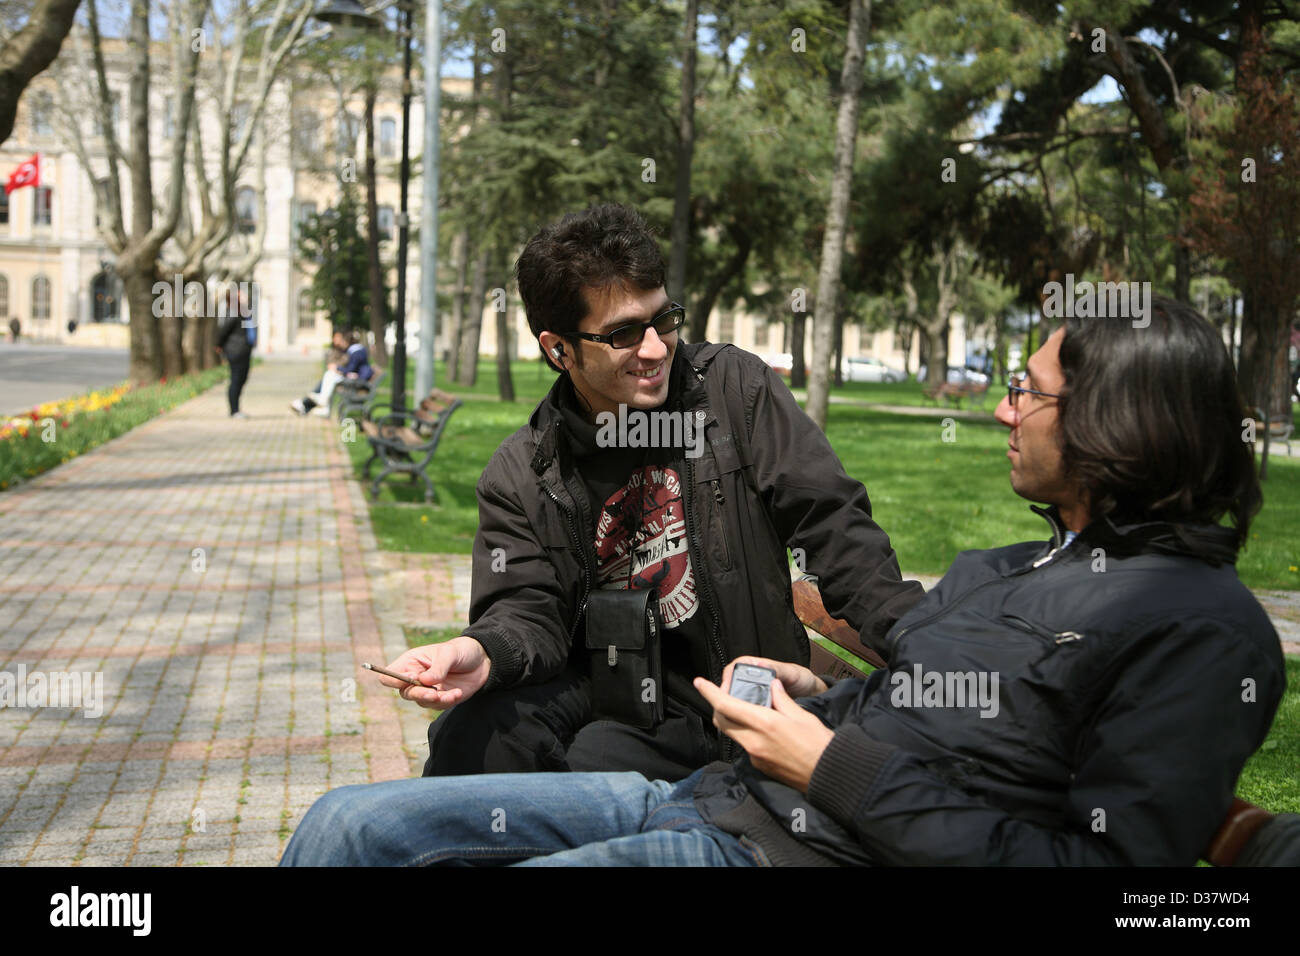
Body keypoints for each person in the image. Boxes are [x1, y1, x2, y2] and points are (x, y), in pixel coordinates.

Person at [281, 296, 1285, 866]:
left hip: (791, 851)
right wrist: (826, 694)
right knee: (346, 823)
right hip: (707, 793)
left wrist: (826, 764)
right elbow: (932, 705)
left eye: (1025, 389)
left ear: (1120, 422)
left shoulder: (1197, 628)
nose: (1001, 410)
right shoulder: (1011, 565)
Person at [377, 203, 923, 781]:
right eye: (623, 334)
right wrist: (484, 652)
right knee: (472, 735)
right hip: (623, 713)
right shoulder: (522, 474)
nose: (657, 349)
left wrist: (926, 644)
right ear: (558, 349)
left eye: (663, 320)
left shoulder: (736, 394)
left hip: (748, 705)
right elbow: (527, 610)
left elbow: (835, 531)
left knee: (591, 774)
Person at [291, 329, 372, 417]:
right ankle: (313, 404)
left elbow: (350, 369)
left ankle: (313, 403)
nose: (336, 341)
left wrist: (337, 367)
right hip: (347, 378)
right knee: (328, 376)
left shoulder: (355, 352)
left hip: (355, 381)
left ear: (345, 340)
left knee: (329, 376)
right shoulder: (348, 350)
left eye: (338, 339)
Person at [214, 288, 253, 419]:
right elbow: (223, 331)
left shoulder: (241, 311)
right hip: (236, 351)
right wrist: (219, 345)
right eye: (241, 296)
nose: (245, 297)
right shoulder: (233, 313)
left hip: (243, 350)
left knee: (241, 378)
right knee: (236, 379)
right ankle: (234, 410)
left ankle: (236, 409)